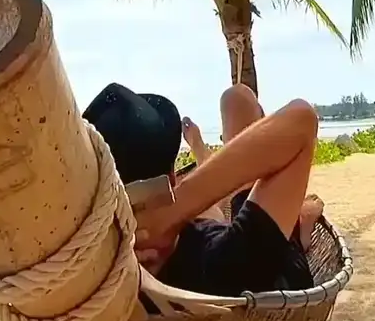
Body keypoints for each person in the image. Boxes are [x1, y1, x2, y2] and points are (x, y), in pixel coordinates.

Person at [83, 82, 324, 298]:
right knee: (237, 99)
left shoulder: (89, 266)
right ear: (171, 179)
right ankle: (299, 223)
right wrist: (173, 213)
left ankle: (202, 157)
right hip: (276, 260)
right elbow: (301, 118)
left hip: (203, 240)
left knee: (235, 99)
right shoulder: (226, 263)